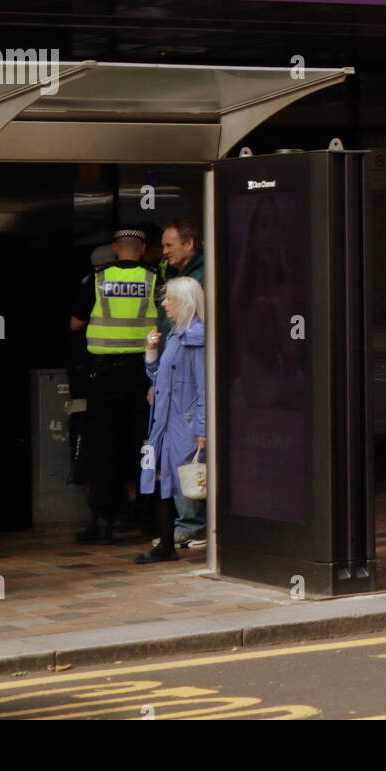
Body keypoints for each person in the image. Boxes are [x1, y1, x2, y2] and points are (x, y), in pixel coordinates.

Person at [70, 228, 158, 544]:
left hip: (105, 376)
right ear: (144, 248)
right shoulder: (154, 278)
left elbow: (75, 323)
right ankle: (149, 519)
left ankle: (104, 521)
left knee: (104, 446)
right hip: (145, 373)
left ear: (115, 248)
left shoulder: (96, 278)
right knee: (145, 442)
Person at [136, 276, 206, 564]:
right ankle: (166, 544)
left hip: (181, 424)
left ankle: (169, 543)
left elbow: (204, 387)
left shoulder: (194, 339)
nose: (164, 304)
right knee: (163, 480)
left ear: (185, 302)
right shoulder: (177, 336)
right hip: (167, 423)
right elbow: (159, 378)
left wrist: (202, 429)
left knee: (189, 483)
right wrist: (150, 352)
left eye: (170, 298)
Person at [157, 219, 207, 546]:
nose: (163, 252)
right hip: (173, 389)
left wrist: (202, 427)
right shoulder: (176, 276)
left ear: (189, 244)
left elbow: (203, 384)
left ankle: (192, 526)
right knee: (176, 460)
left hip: (185, 399)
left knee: (188, 459)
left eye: (168, 246)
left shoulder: (198, 280)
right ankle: (185, 524)